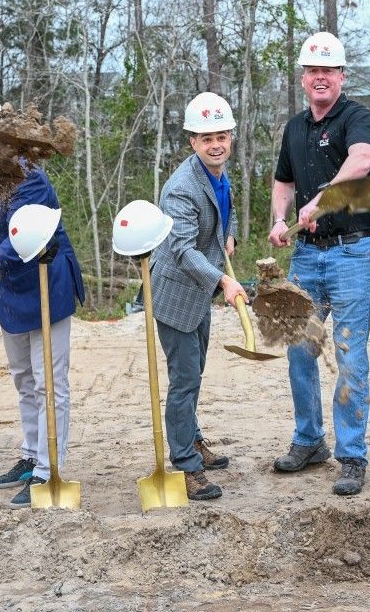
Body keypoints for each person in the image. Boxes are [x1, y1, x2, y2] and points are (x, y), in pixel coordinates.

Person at [0, 84, 85, 508]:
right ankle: (30, 456)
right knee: (25, 381)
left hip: (45, 287)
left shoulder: (29, 176)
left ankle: (48, 470)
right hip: (8, 295)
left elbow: (17, 244)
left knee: (50, 384)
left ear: (0, 129)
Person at [268, 32, 370, 496]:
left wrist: (320, 200)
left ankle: (351, 455)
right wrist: (280, 219)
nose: (320, 78)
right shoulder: (295, 128)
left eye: (328, 70)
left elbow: (362, 160)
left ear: (341, 76)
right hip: (307, 257)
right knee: (301, 349)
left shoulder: (359, 118)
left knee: (351, 353)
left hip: (352, 252)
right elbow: (282, 182)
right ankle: (309, 440)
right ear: (303, 78)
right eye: (312, 71)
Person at [149, 91, 246, 500]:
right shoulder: (181, 188)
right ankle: (186, 466)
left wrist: (229, 234)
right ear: (192, 141)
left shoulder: (218, 173)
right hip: (176, 293)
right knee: (184, 380)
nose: (215, 144)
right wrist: (223, 281)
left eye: (222, 135)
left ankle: (194, 439)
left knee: (194, 373)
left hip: (199, 290)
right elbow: (183, 250)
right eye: (206, 138)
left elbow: (225, 209)